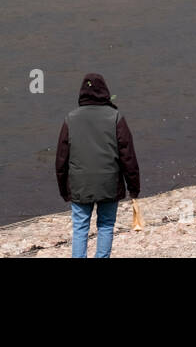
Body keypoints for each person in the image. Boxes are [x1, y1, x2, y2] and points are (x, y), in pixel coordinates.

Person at [55, 73, 141, 257]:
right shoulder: (116, 118)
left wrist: (64, 189)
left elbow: (61, 160)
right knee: (106, 225)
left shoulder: (70, 119)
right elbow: (128, 158)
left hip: (80, 185)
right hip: (109, 183)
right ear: (105, 93)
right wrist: (134, 188)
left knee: (80, 228)